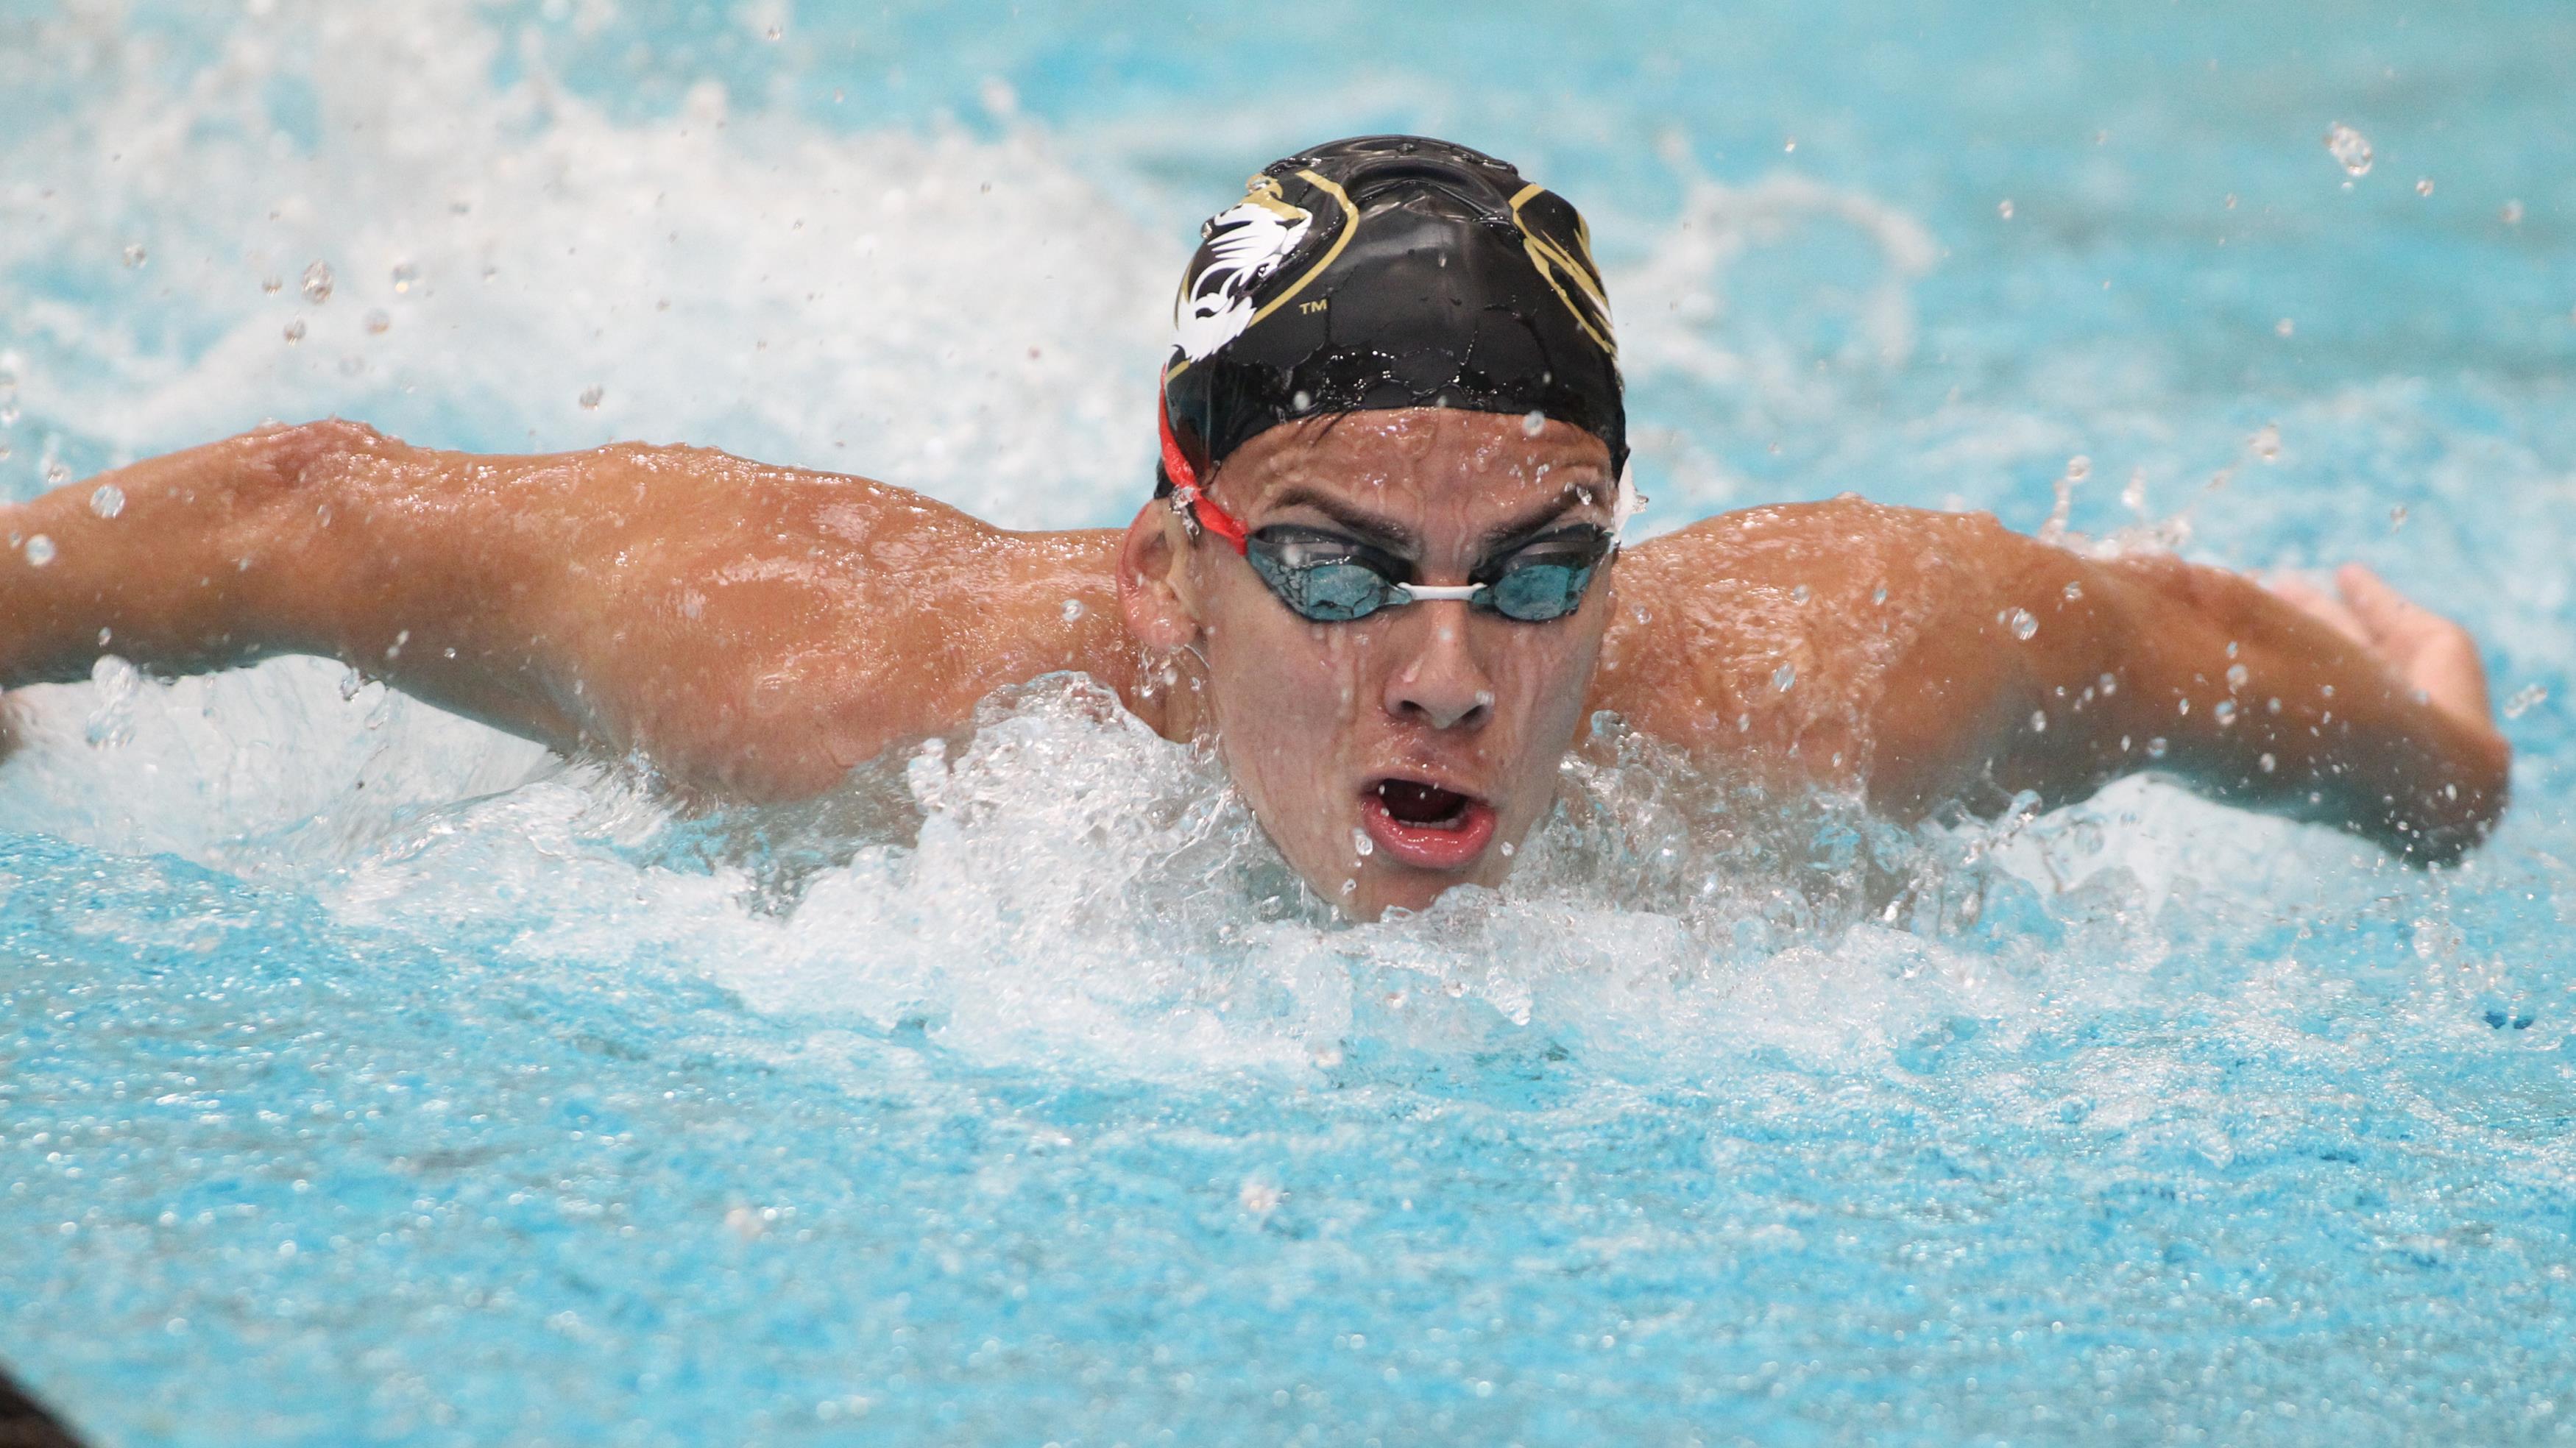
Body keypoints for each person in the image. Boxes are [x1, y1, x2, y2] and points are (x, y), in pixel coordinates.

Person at [0, 137, 2509, 920]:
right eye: (1328, 568)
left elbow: (2173, 652)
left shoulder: (1834, 675)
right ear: (1159, 570)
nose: (1447, 672)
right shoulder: (832, 674)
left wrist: (2442, 769)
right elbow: (306, 520)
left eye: (1540, 570)